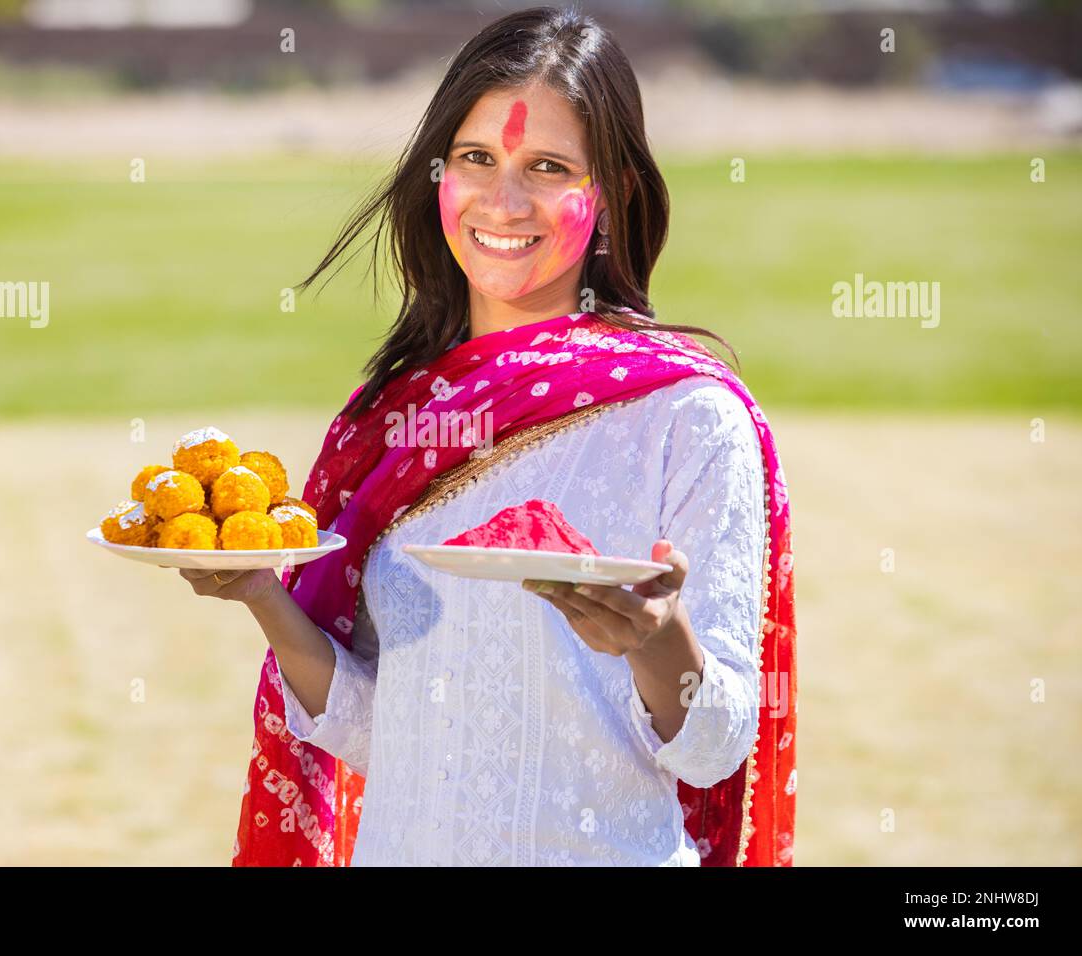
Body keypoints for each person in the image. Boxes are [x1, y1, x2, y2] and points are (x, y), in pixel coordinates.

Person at [180, 5, 797, 867]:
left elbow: (717, 746)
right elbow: (375, 730)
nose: (503, 202)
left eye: (547, 167)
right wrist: (261, 594)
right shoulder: (395, 416)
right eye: (477, 159)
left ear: (612, 193)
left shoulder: (688, 416)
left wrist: (661, 642)